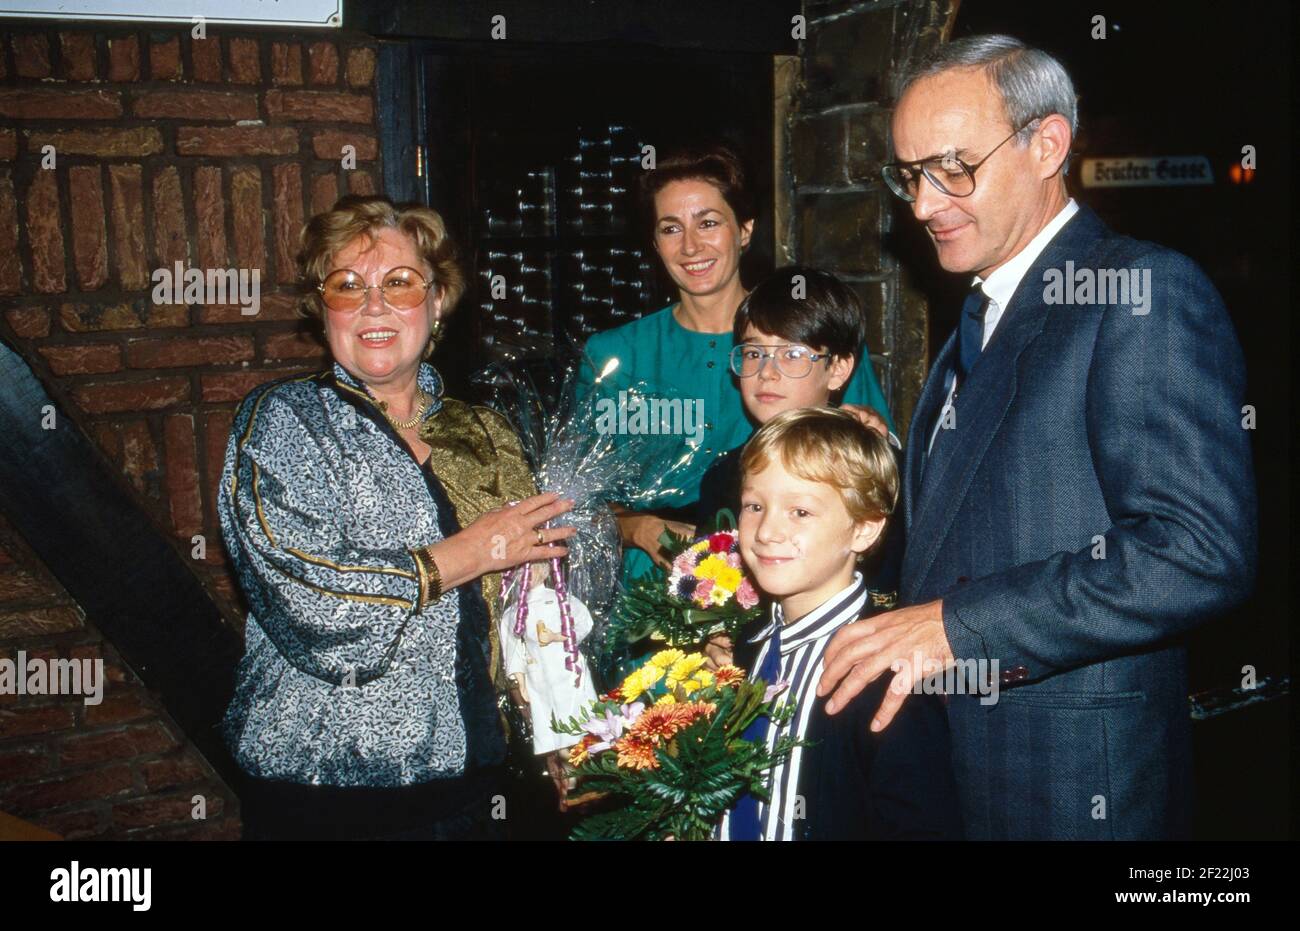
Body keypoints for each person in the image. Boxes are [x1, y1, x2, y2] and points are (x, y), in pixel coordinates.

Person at [816, 36, 1256, 840]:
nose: (922, 205)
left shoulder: (1138, 291)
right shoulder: (979, 316)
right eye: (910, 176)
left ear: (1047, 144)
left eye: (954, 167)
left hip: (1076, 787)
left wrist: (954, 627)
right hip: (962, 777)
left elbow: (1197, 549)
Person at [219, 194, 577, 840]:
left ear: (437, 301)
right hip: (328, 808)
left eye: (399, 282)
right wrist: (471, 550)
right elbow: (318, 611)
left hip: (475, 799)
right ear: (321, 307)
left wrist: (562, 725)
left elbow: (535, 601)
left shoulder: (487, 433)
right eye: (347, 285)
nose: (373, 305)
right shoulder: (283, 424)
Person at [574, 143, 893, 590]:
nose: (690, 246)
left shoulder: (807, 339)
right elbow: (575, 501)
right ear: (654, 242)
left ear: (744, 230)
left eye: (708, 223)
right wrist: (638, 529)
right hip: (648, 594)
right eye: (670, 228)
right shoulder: (614, 356)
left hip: (790, 578)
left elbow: (878, 483)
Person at [718, 408, 960, 840]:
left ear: (863, 531)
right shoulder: (748, 648)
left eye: (801, 512)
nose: (767, 530)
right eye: (755, 505)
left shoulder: (886, 678)